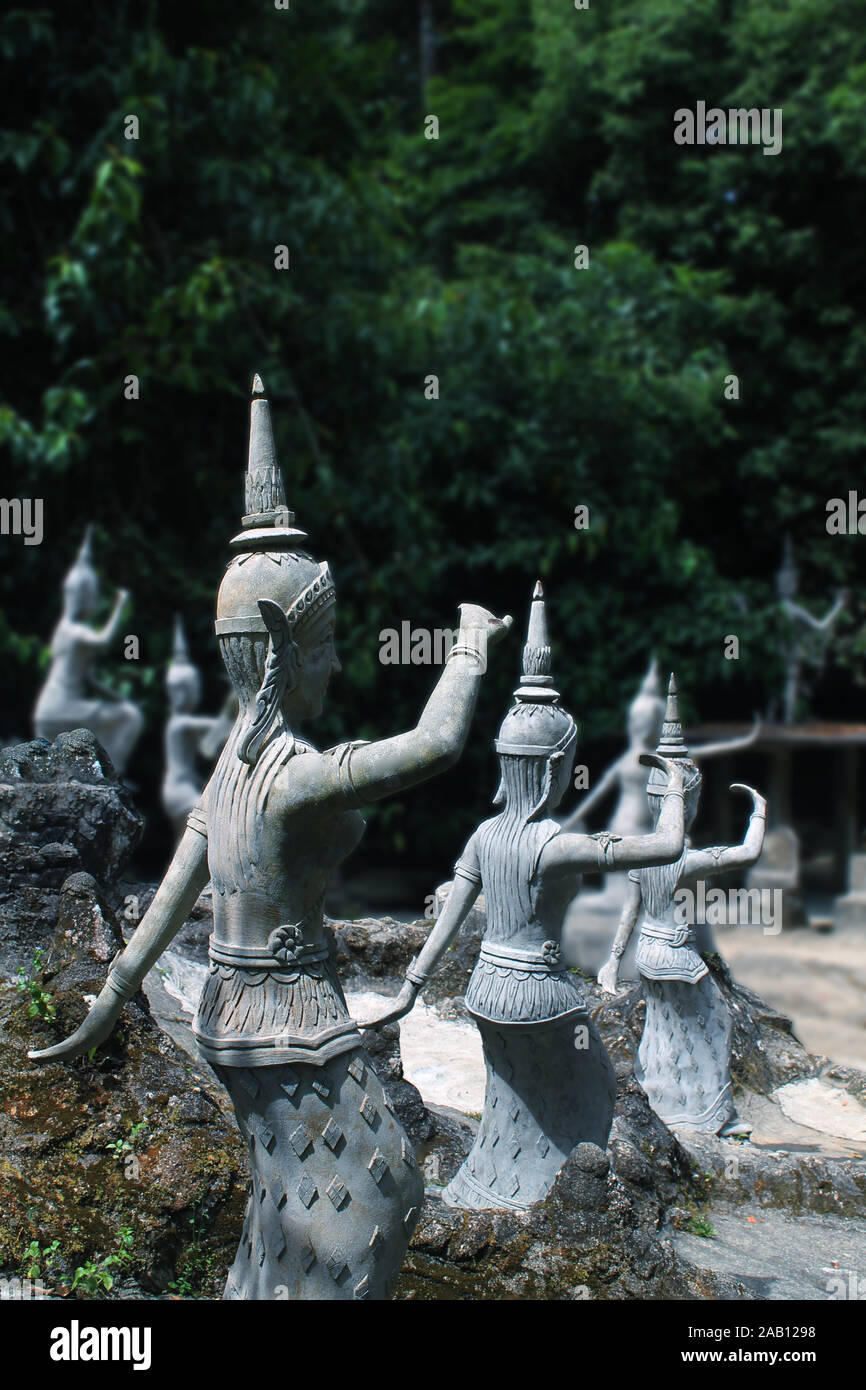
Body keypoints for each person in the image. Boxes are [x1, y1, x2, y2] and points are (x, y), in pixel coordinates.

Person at [31, 375, 511, 1300]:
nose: (338, 664)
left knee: (293, 1212)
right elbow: (439, 743)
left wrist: (114, 994)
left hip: (233, 1023)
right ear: (289, 648)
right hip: (291, 1030)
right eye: (329, 646)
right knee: (375, 1202)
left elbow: (173, 897)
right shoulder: (291, 777)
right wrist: (468, 644)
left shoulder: (230, 772)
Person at [370, 584, 686, 1211]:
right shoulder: (556, 845)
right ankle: (541, 1198)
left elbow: (450, 921)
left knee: (509, 1094)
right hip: (540, 995)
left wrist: (410, 989)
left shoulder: (485, 835)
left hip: (485, 990)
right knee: (589, 1085)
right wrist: (673, 785)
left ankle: (486, 1185)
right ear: (552, 770)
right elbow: (665, 846)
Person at [597, 674, 766, 1138]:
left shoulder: (643, 849)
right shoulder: (683, 859)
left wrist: (613, 961)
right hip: (675, 955)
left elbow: (629, 910)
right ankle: (712, 1113)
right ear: (687, 805)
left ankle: (663, 1103)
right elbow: (746, 854)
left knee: (664, 1029)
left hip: (648, 955)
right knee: (715, 1022)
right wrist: (759, 812)